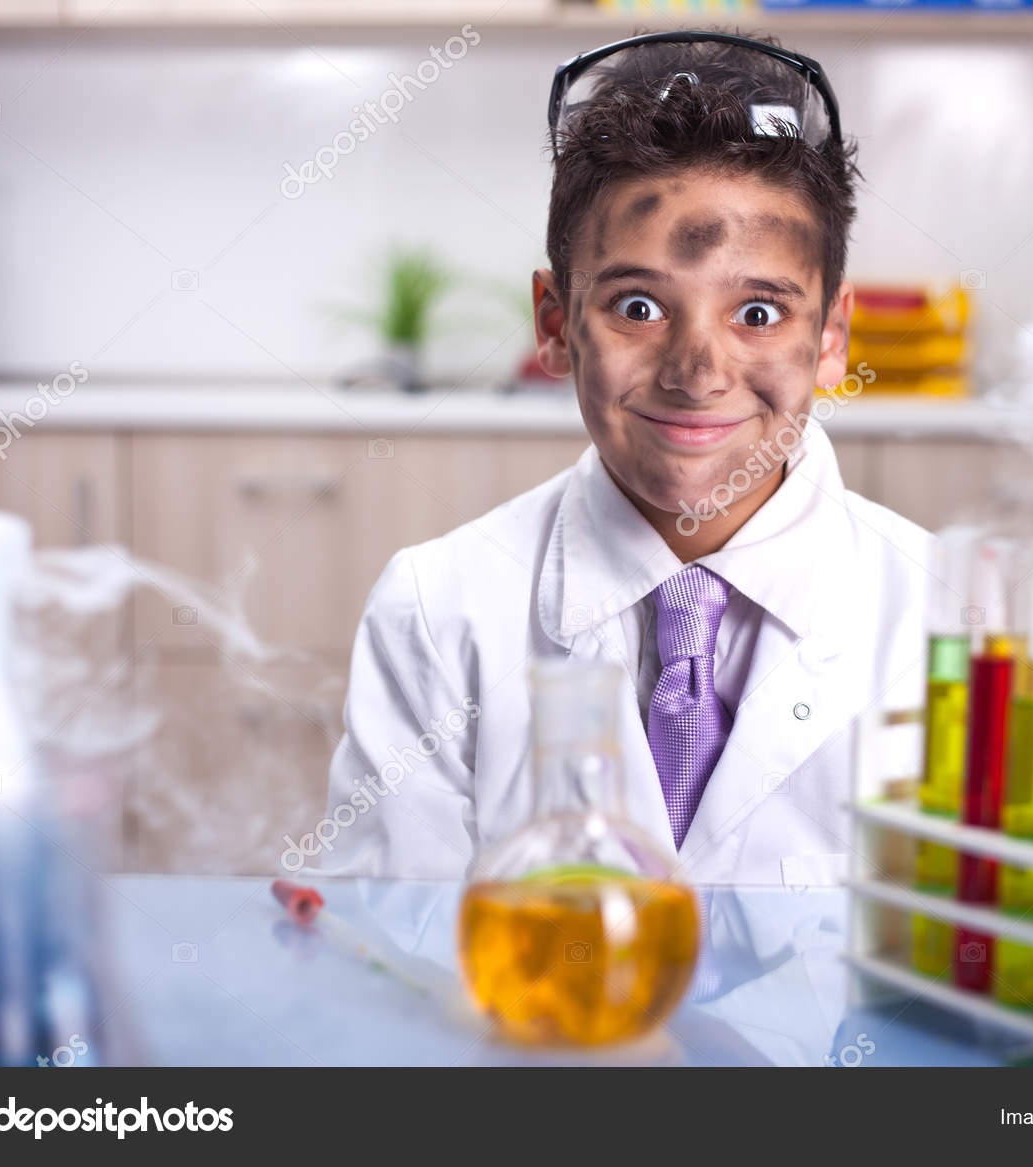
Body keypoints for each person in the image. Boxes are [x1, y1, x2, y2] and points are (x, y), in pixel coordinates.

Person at [321, 30, 930, 883]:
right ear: (554, 323)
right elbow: (395, 963)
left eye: (758, 314)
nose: (696, 372)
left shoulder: (947, 627)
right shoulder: (437, 612)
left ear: (832, 339)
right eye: (638, 306)